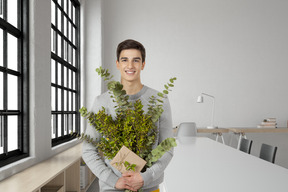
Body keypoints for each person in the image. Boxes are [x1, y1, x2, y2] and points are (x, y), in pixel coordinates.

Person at [82, 39, 174, 192]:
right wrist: (113, 180)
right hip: (112, 188)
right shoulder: (102, 102)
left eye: (136, 60)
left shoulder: (160, 100)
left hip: (149, 187)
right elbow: (88, 149)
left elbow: (167, 147)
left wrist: (146, 177)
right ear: (117, 64)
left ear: (143, 64)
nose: (130, 66)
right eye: (125, 60)